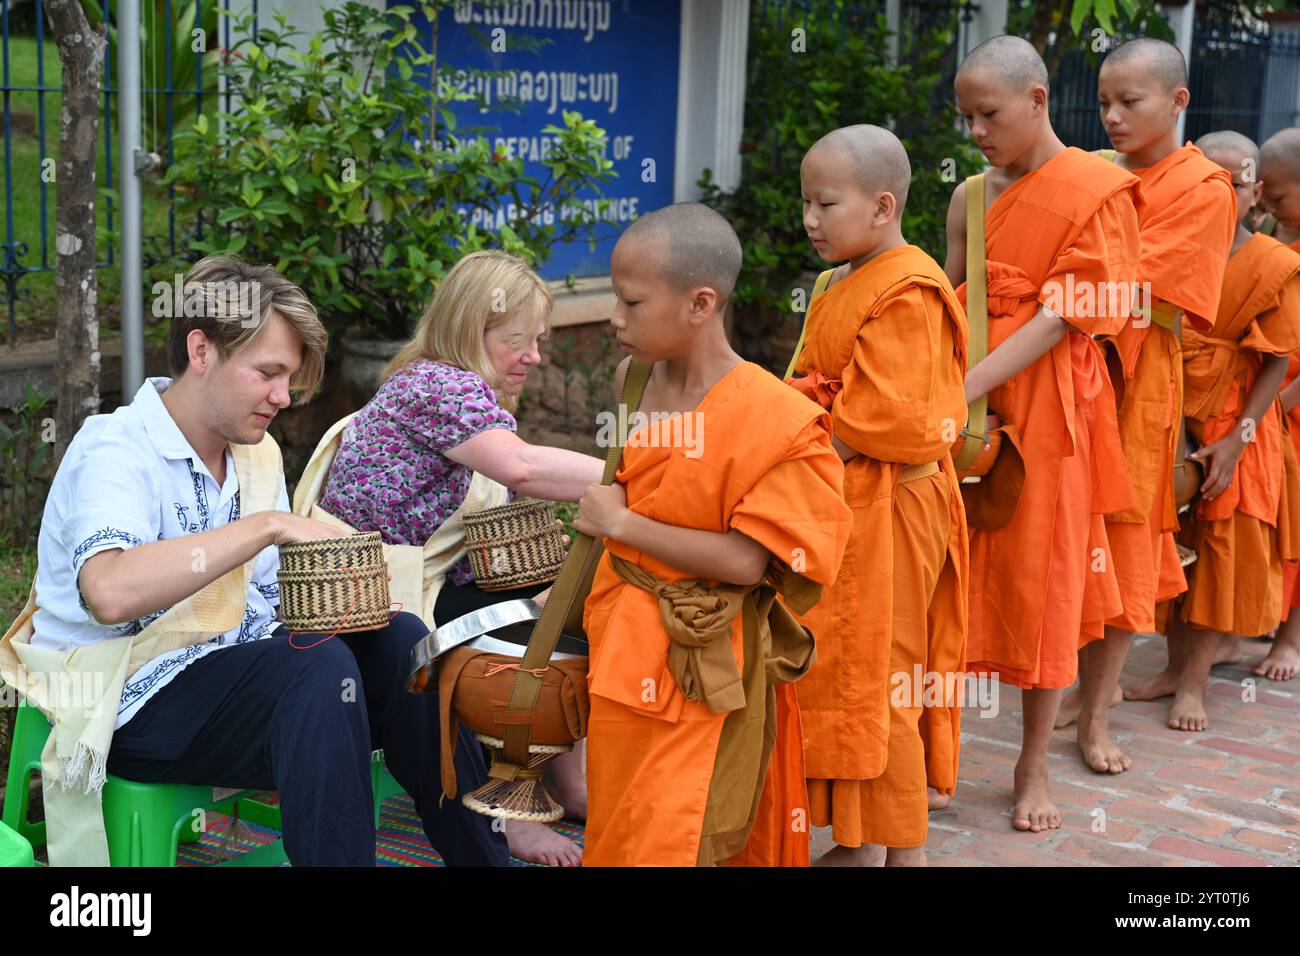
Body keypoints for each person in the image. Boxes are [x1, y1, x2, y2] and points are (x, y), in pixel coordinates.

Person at [0, 256, 506, 866]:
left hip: (232, 672)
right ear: (201, 350)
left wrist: (353, 604)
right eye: (268, 373)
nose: (283, 397)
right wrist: (266, 527)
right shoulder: (115, 448)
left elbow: (268, 603)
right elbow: (108, 592)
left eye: (288, 378)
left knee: (399, 641)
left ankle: (488, 860)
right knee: (315, 671)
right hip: (121, 695)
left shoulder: (252, 453)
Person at [299, 250, 604, 866]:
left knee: (561, 605)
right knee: (525, 633)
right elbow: (523, 467)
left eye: (538, 341)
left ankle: (565, 784)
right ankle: (507, 806)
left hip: (417, 581)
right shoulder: (438, 384)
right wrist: (644, 478)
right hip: (368, 601)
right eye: (518, 341)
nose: (534, 357)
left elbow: (480, 545)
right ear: (472, 329)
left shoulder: (459, 390)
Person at [575, 202, 852, 866]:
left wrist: (621, 523)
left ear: (701, 304)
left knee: (682, 830)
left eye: (632, 303)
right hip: (623, 638)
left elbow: (747, 563)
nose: (615, 319)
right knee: (619, 819)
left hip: (706, 654)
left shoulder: (773, 414)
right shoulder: (631, 381)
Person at [945, 35, 1141, 832]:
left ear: (1035, 100)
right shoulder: (969, 196)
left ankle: (1031, 768)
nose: (977, 133)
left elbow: (1068, 313)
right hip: (964, 406)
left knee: (1045, 581)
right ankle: (936, 750)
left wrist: (966, 389)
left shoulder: (1099, 188)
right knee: (949, 577)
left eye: (988, 114)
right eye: (965, 118)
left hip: (1051, 407)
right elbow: (950, 295)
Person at [788, 125, 969, 866]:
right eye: (806, 202)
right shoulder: (841, 280)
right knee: (844, 662)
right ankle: (860, 842)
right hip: (850, 495)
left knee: (884, 664)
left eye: (824, 202)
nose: (808, 218)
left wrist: (786, 459)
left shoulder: (909, 286)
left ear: (882, 205)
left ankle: (901, 852)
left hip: (893, 500)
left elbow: (881, 417)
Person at [1060, 38, 1235, 749]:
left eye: (1129, 102)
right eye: (1104, 103)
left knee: (1123, 546)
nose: (1112, 117)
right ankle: (1070, 689)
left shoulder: (1205, 188)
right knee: (1069, 540)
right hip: (1072, 370)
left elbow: (1127, 280)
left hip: (1138, 385)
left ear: (1177, 100)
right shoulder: (1093, 173)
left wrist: (1071, 271)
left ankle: (1098, 717)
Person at [1147, 130, 1300, 731]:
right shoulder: (1170, 253)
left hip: (1237, 423)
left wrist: (1239, 437)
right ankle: (1168, 669)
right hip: (1168, 417)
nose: (1214, 198)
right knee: (1172, 549)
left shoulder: (1275, 263)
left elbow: (1278, 360)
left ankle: (1194, 685)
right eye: (1200, 185)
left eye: (1230, 186)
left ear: (1254, 192)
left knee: (1219, 553)